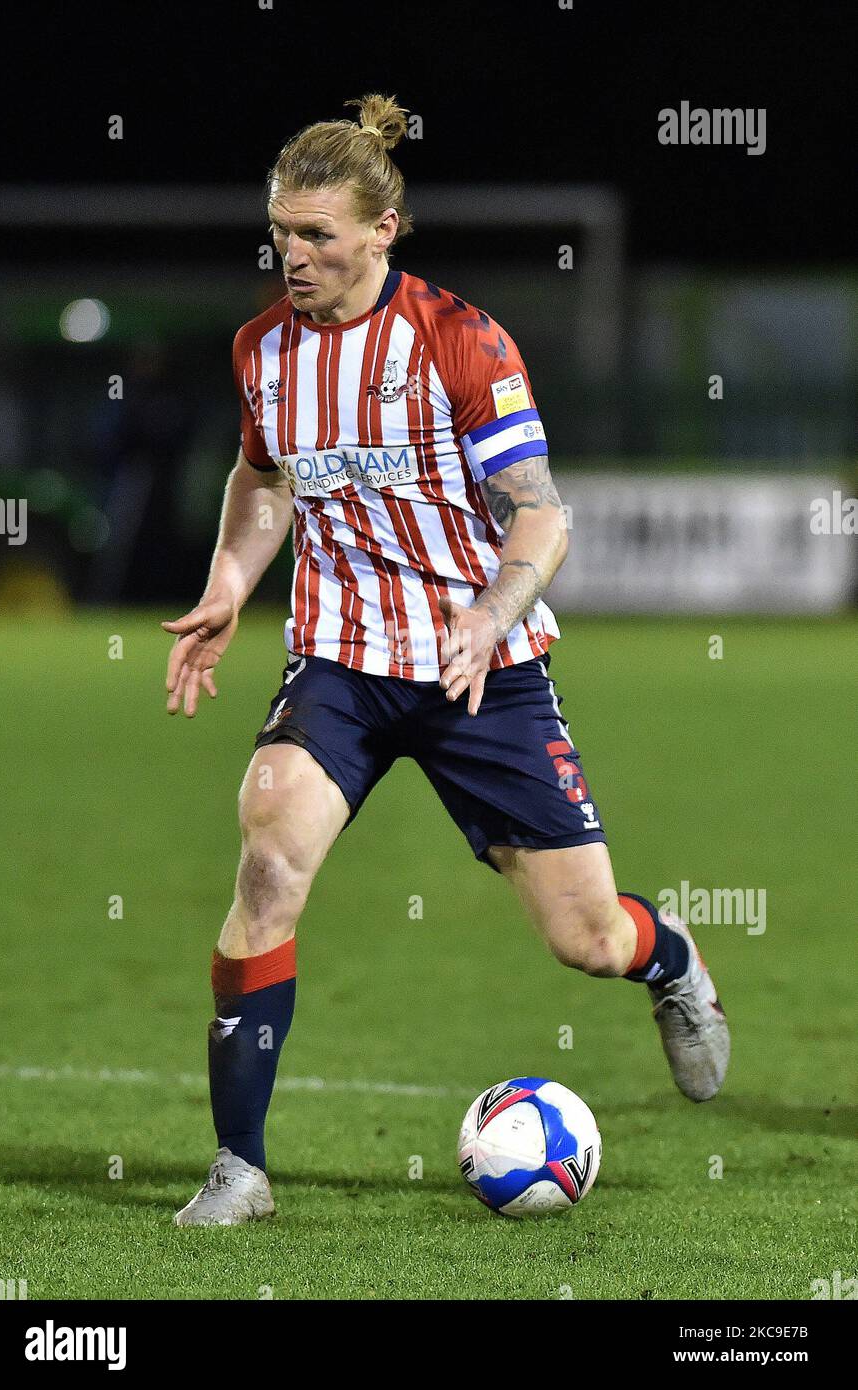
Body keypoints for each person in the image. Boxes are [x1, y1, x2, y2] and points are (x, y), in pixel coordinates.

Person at [164, 94, 729, 1227]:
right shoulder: (262, 350)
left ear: (383, 231)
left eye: (319, 235)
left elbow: (542, 518)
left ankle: (667, 960)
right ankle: (240, 1165)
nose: (294, 254)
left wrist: (488, 611)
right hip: (341, 658)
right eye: (282, 231)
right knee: (269, 845)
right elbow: (264, 479)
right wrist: (230, 583)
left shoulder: (459, 340)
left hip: (485, 668)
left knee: (583, 938)